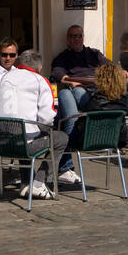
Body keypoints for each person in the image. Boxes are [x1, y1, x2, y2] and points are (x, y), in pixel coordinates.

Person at [0, 49, 64, 201]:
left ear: (19, 63)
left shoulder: (5, 77)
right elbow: (46, 119)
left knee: (23, 132)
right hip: (24, 143)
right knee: (60, 138)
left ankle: (26, 183)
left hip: (0, 143)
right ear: (39, 68)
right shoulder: (39, 80)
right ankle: (39, 182)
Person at [49, 25, 107, 184]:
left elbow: (109, 68)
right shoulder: (64, 56)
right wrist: (71, 81)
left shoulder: (94, 54)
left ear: (83, 37)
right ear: (68, 39)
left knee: (70, 102)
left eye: (79, 36)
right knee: (70, 95)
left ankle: (65, 163)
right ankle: (66, 165)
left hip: (95, 94)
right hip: (75, 90)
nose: (76, 39)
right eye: (73, 36)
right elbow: (57, 72)